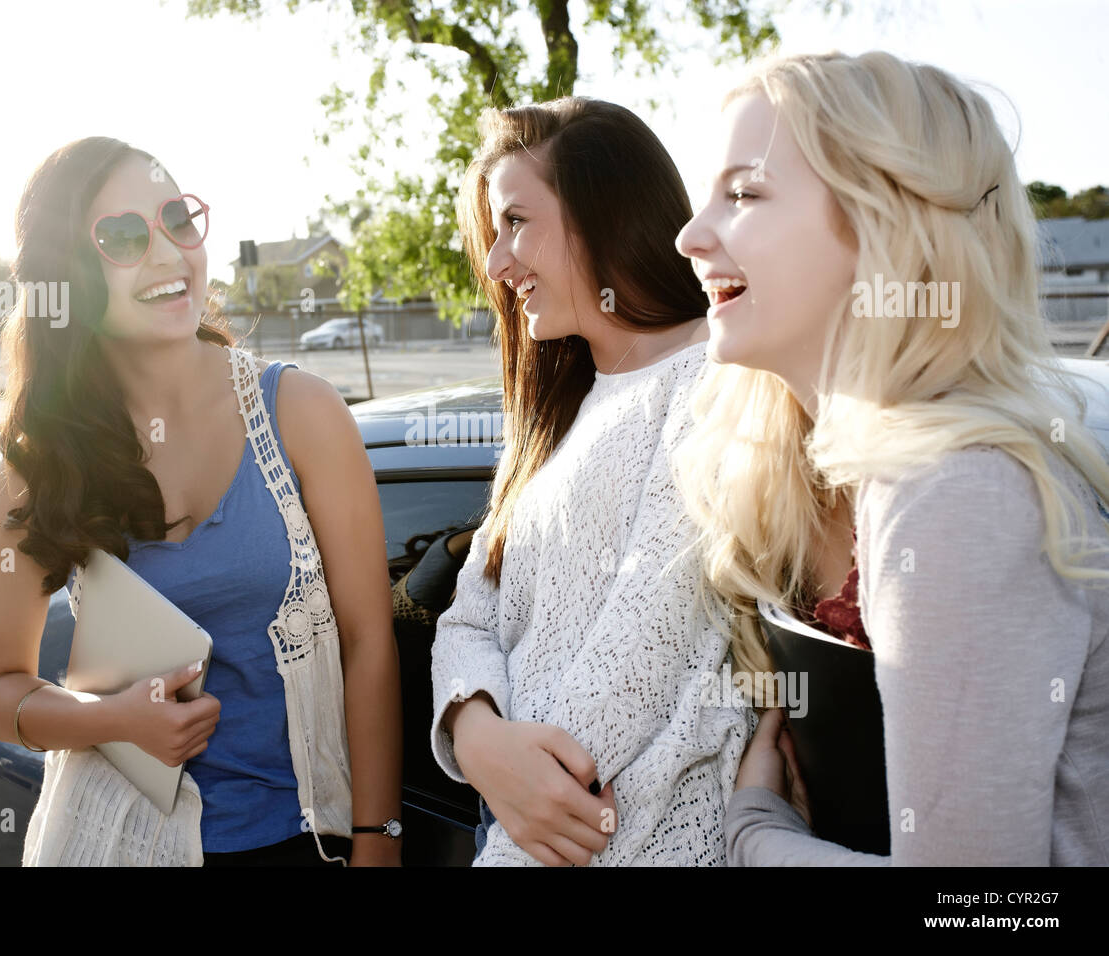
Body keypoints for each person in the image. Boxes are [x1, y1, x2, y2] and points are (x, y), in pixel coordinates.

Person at [674, 50, 1109, 865]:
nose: (690, 235)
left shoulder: (958, 488)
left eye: (744, 195)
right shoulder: (802, 467)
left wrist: (757, 832)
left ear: (882, 229)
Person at [0, 137, 402, 866]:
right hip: (118, 845)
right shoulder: (34, 470)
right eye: (126, 237)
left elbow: (368, 644)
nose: (169, 254)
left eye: (178, 220)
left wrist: (378, 841)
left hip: (302, 842)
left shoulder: (302, 413)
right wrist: (111, 720)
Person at [430, 97, 756, 866]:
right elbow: (467, 620)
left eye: (516, 222)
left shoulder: (714, 377)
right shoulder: (557, 410)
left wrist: (513, 824)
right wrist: (475, 736)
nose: (497, 263)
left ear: (602, 211)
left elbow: (642, 654)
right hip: (519, 827)